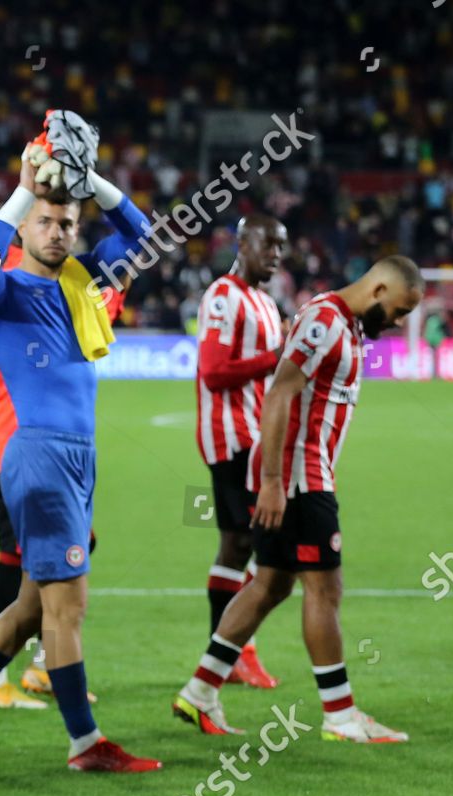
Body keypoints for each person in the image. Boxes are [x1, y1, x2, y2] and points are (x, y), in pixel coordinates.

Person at [0, 135, 161, 773]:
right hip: (37, 456)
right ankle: (85, 744)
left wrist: (92, 178)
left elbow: (143, 235)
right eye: (45, 221)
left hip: (79, 460)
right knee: (69, 607)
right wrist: (29, 187)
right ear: (27, 222)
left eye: (67, 222)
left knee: (33, 606)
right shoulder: (3, 291)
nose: (58, 231)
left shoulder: (86, 284)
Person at [172, 256, 424, 742]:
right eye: (398, 310)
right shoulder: (325, 321)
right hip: (298, 481)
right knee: (324, 590)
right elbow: (280, 393)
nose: (397, 323)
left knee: (270, 585)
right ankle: (341, 715)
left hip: (297, 477)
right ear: (377, 290)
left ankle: (200, 691)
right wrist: (270, 481)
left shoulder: (343, 325)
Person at [192, 215, 289, 691]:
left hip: (256, 436)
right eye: (269, 244)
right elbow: (213, 371)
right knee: (256, 543)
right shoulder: (223, 297)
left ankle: (224, 652)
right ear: (244, 243)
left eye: (282, 247)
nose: (276, 253)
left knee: (239, 544)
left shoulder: (267, 303)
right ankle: (234, 651)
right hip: (231, 437)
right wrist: (277, 356)